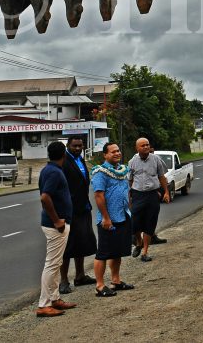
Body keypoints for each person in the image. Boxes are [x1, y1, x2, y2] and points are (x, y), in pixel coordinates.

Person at [37, 141, 77, 317]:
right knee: (52, 264)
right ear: (64, 155)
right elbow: (45, 197)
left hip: (56, 222)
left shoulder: (49, 169)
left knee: (56, 262)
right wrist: (57, 221)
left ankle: (54, 298)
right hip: (55, 225)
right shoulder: (53, 172)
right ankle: (44, 304)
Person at [92, 143, 134, 297]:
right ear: (105, 155)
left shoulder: (121, 170)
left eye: (118, 151)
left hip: (123, 215)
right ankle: (100, 285)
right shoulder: (100, 172)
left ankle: (116, 281)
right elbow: (98, 195)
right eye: (113, 152)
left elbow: (126, 191)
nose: (117, 153)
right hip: (108, 220)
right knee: (103, 253)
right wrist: (105, 217)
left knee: (117, 252)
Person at [59, 134, 97, 293]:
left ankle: (80, 275)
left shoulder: (80, 160)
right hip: (69, 211)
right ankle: (63, 280)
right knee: (67, 247)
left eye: (80, 146)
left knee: (82, 242)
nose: (78, 149)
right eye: (74, 146)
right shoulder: (64, 162)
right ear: (68, 146)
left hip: (83, 208)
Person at [128, 138, 170, 263]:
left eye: (147, 145)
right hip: (137, 195)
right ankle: (139, 243)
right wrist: (129, 195)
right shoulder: (132, 162)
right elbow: (130, 179)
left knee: (149, 224)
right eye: (143, 145)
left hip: (152, 195)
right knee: (134, 223)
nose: (146, 147)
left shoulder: (156, 159)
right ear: (137, 148)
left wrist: (166, 192)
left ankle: (145, 252)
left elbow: (162, 176)